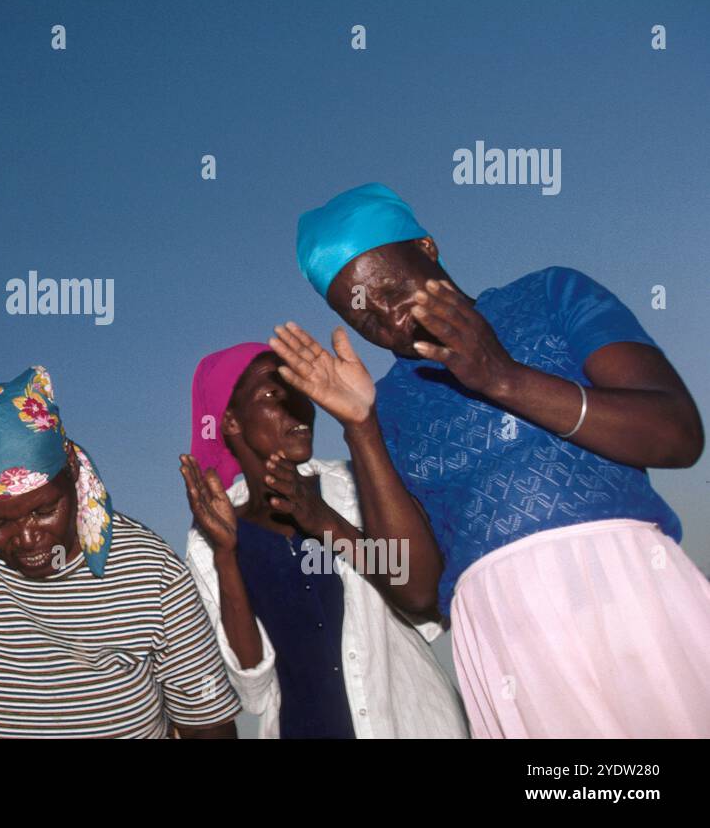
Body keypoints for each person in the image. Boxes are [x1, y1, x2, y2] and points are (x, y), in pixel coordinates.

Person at [274, 181, 710, 737]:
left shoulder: (552, 295)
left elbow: (676, 435)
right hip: (508, 646)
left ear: (427, 248)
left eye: (390, 288)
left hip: (633, 596)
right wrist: (360, 428)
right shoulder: (387, 408)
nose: (388, 319)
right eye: (364, 317)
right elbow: (415, 589)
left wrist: (504, 378)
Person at [0, 365, 241, 738]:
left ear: (73, 470)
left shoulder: (152, 572)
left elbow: (207, 726)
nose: (27, 538)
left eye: (44, 511)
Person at [181, 342, 467, 738]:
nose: (298, 405)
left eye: (300, 390)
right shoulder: (209, 536)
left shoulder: (357, 486)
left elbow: (423, 594)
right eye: (273, 393)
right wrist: (227, 557)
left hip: (411, 723)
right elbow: (253, 689)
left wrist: (326, 522)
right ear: (230, 421)